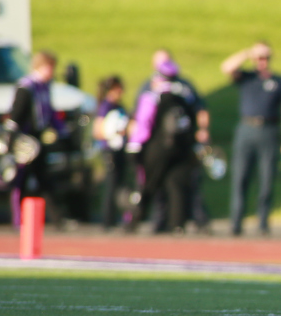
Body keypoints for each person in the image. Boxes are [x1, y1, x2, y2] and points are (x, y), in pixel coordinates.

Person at [220, 42, 281, 236]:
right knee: (240, 177)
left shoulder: (278, 82)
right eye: (259, 58)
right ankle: (236, 222)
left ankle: (263, 222)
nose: (261, 61)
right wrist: (248, 52)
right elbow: (226, 67)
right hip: (246, 128)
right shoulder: (246, 78)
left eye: (265, 57)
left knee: (267, 178)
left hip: (269, 130)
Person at [138, 50, 212, 233]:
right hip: (157, 145)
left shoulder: (184, 86)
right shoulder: (149, 87)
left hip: (183, 145)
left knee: (183, 184)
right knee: (154, 183)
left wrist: (202, 131)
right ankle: (154, 221)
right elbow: (141, 117)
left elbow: (200, 109)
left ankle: (184, 222)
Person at [124, 60, 200, 232]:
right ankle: (177, 224)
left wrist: (134, 145)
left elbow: (144, 124)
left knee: (147, 185)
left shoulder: (152, 96)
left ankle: (133, 221)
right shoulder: (186, 95)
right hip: (182, 150)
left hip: (156, 149)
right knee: (176, 187)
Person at [6, 51, 62, 227]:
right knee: (21, 179)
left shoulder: (45, 86)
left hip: (39, 139)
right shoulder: (26, 87)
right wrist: (12, 139)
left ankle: (55, 218)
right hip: (25, 140)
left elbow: (49, 112)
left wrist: (60, 130)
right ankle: (19, 219)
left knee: (44, 178)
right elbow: (16, 115)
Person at [91, 75, 130, 229]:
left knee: (121, 184)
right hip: (110, 151)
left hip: (121, 150)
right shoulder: (105, 107)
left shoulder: (120, 106)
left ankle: (120, 217)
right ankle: (107, 220)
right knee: (111, 184)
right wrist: (114, 132)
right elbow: (98, 131)